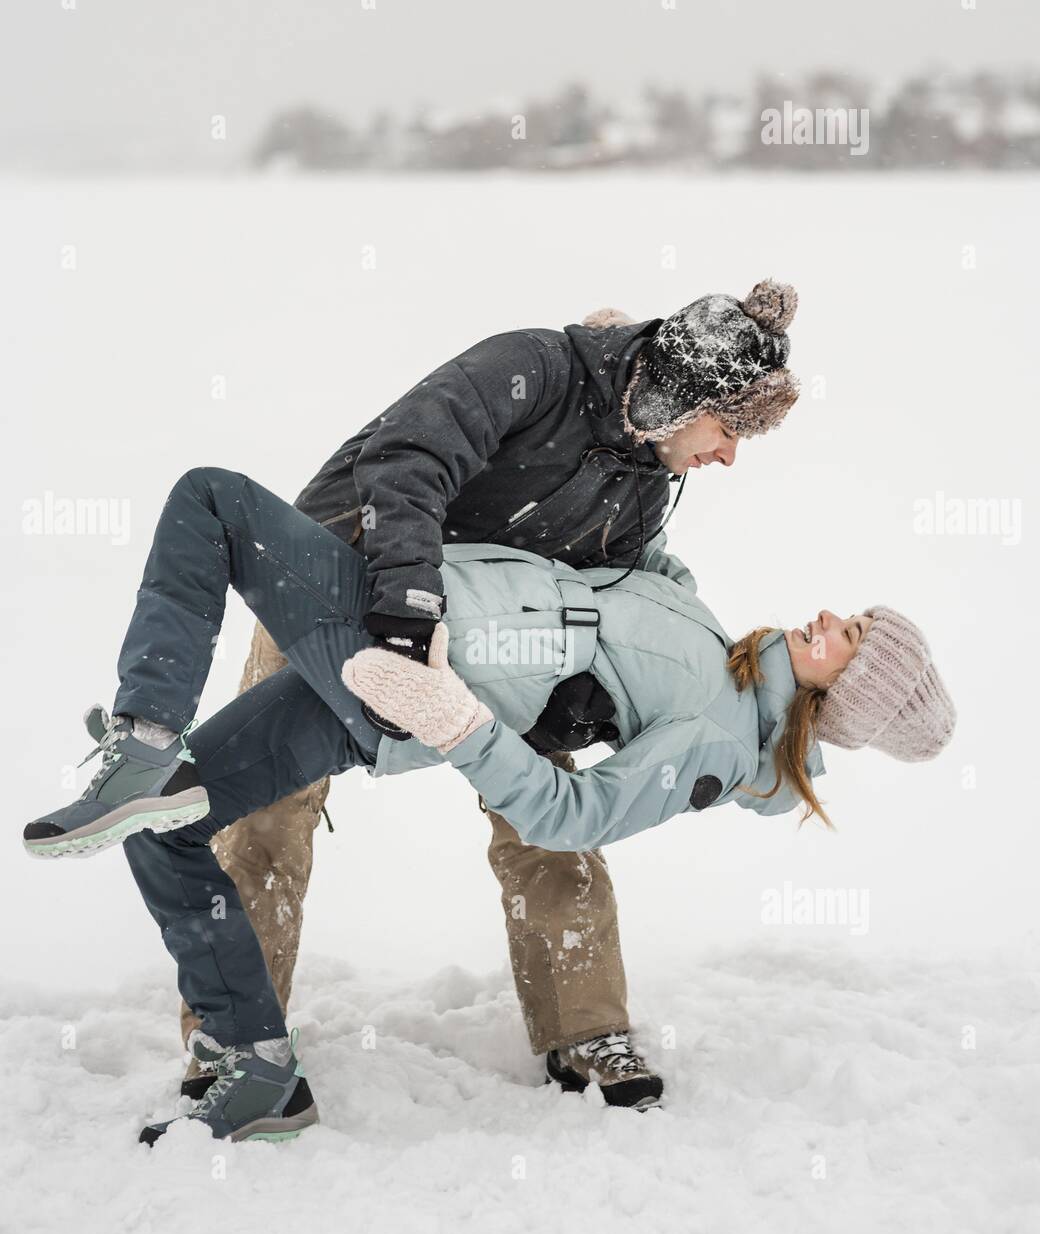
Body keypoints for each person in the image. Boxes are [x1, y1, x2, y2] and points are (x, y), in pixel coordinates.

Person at [23, 461, 955, 1145]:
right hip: (408, 626)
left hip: (411, 656)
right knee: (164, 820)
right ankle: (253, 1065)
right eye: (852, 614)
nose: (831, 618)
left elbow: (573, 815)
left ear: (842, 699)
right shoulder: (719, 640)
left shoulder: (715, 742)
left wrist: (457, 720)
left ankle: (143, 738)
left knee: (210, 498)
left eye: (851, 639)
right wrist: (634, 444)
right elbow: (638, 552)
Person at [177, 279, 803, 1110]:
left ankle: (588, 1030)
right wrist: (410, 604)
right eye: (729, 431)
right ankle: (234, 1040)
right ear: (679, 398)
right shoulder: (531, 366)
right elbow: (407, 456)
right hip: (340, 590)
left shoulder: (647, 478)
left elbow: (624, 580)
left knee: (548, 820)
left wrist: (659, 690)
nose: (729, 456)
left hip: (510, 642)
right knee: (265, 814)